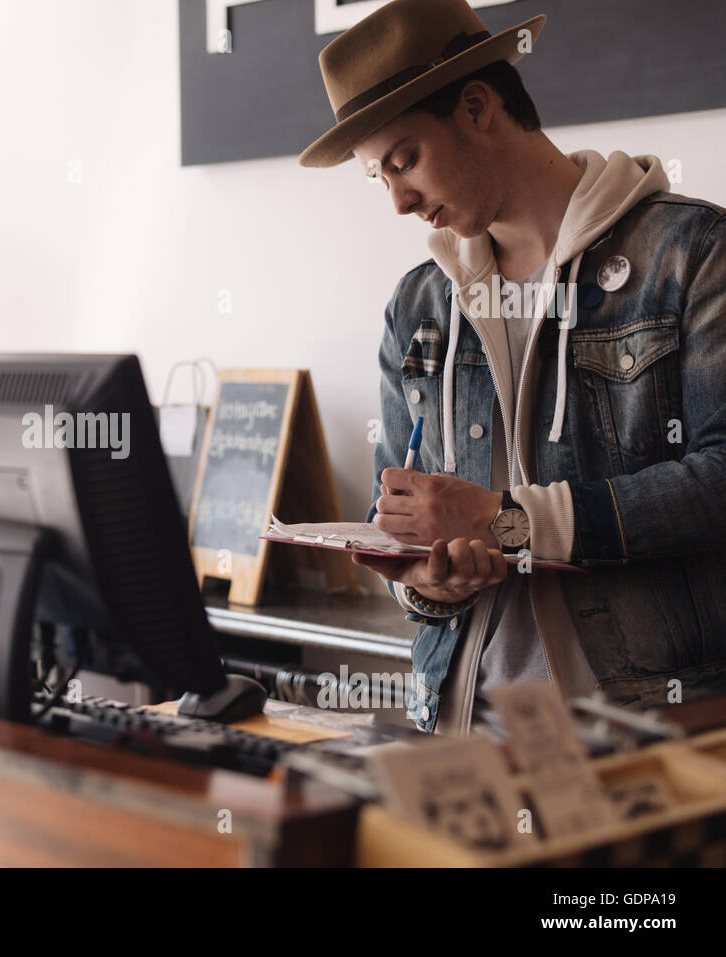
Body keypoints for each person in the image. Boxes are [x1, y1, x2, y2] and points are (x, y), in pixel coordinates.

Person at [299, 0, 726, 734]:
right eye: (378, 177)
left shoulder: (690, 254)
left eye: (404, 160)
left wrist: (513, 524)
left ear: (477, 107)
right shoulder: (419, 306)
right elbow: (393, 514)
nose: (398, 200)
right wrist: (428, 583)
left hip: (648, 728)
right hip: (465, 729)